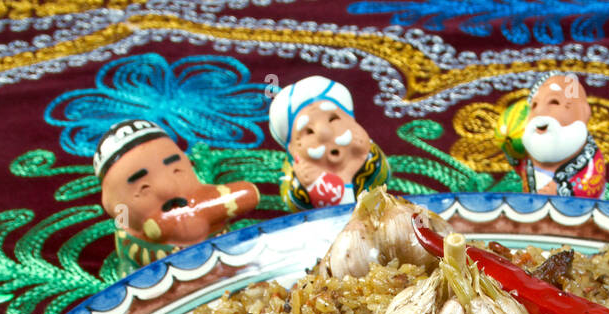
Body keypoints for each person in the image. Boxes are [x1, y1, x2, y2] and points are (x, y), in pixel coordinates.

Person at [93, 118, 258, 272]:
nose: (168, 188)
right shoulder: (129, 236)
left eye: (176, 170)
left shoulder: (212, 196)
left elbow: (248, 194)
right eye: (143, 187)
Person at [268, 76, 390, 210]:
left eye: (333, 119)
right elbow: (291, 202)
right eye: (308, 131)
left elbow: (382, 179)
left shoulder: (370, 157)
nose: (325, 133)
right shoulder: (295, 175)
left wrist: (361, 159)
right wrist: (309, 185)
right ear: (293, 149)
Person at [514, 73, 607, 198]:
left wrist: (561, 190)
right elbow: (519, 165)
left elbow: (591, 182)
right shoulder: (529, 152)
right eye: (534, 105)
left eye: (554, 102)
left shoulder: (589, 156)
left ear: (582, 113)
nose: (540, 112)